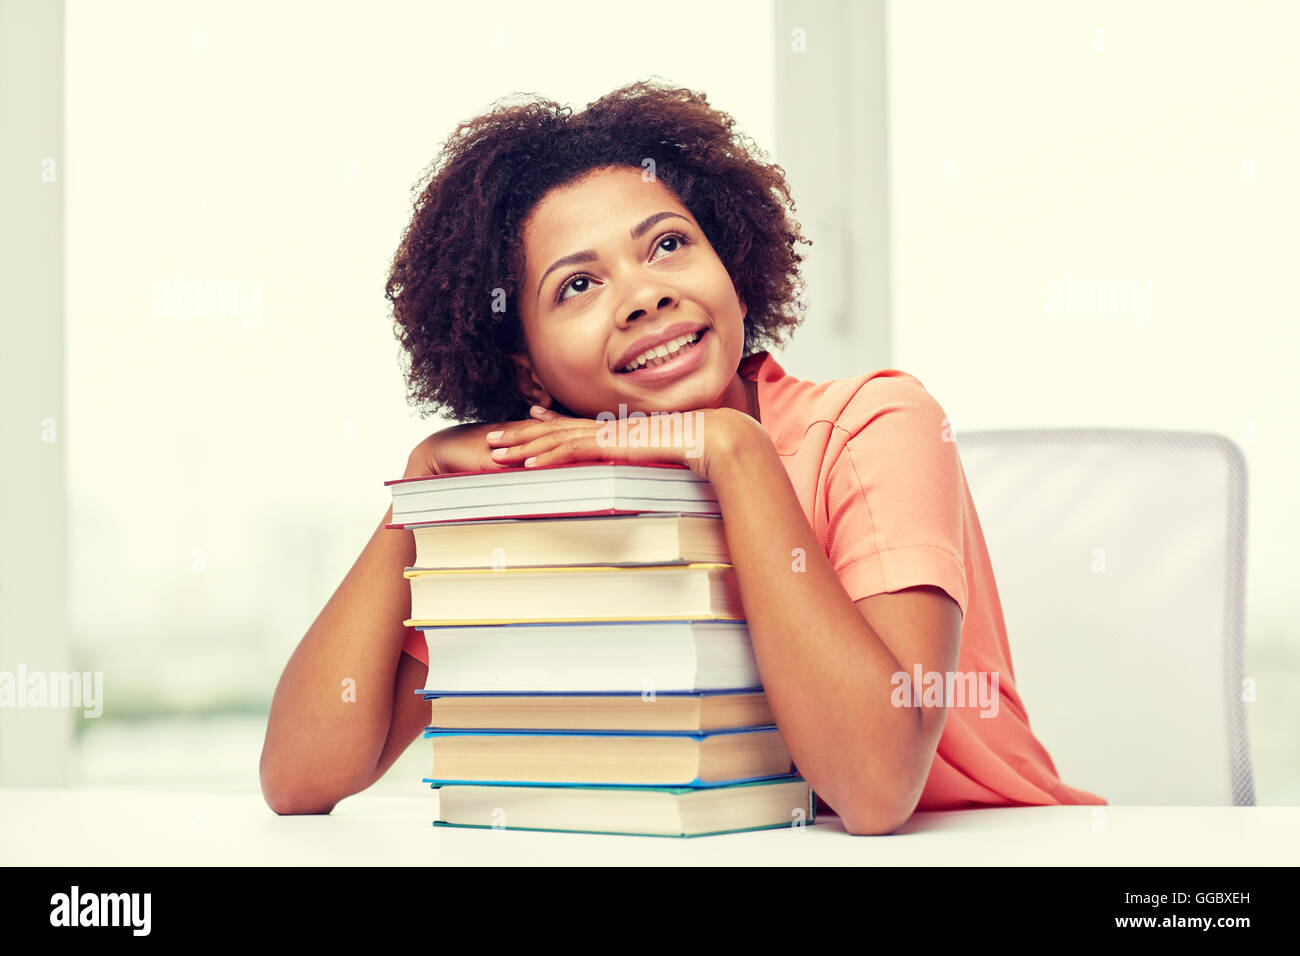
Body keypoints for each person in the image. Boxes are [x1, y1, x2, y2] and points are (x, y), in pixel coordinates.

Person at [260, 79, 1105, 832]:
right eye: (578, 286)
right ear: (523, 363)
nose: (645, 293)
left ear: (731, 265)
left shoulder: (875, 426)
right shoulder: (539, 504)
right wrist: (420, 494)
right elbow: (299, 780)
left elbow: (876, 788)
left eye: (667, 245)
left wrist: (733, 449)